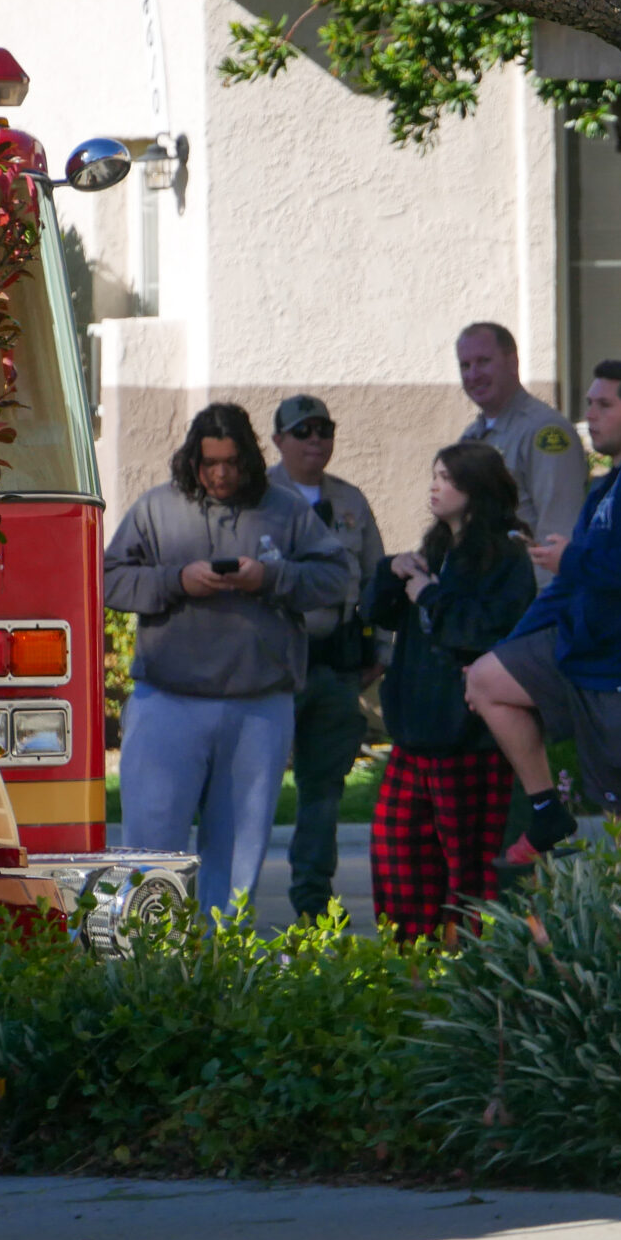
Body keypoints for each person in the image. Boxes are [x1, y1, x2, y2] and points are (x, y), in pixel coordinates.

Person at [102, 402, 356, 919]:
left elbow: (337, 577)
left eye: (232, 463)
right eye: (209, 462)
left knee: (238, 858)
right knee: (151, 849)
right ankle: (150, 965)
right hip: (168, 702)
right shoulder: (156, 508)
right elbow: (108, 579)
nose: (220, 474)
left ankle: (223, 969)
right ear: (192, 458)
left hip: (258, 706)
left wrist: (271, 579)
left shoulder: (284, 510)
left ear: (250, 462)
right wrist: (176, 580)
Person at [465, 359, 621, 867]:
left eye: (604, 404)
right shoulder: (611, 483)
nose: (590, 415)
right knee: (487, 680)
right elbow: (568, 584)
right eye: (589, 404)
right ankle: (547, 809)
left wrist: (569, 558)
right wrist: (506, 649)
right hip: (591, 658)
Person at [366, 442, 538, 941]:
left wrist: (431, 596)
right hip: (415, 736)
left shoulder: (505, 554)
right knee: (396, 851)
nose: (434, 486)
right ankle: (410, 963)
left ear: (475, 489)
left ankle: (471, 973)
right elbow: (376, 613)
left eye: (447, 478)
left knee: (469, 869)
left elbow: (484, 632)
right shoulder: (437, 547)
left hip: (470, 740)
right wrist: (391, 571)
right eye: (434, 475)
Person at [266, 392, 386, 920]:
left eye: (325, 430)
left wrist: (380, 648)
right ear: (278, 441)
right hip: (270, 667)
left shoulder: (351, 501)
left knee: (324, 789)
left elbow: (378, 580)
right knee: (252, 787)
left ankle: (312, 900)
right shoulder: (258, 497)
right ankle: (227, 899)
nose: (316, 440)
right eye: (303, 431)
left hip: (335, 666)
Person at [455, 321, 590, 573]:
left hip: (523, 601)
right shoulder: (471, 437)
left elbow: (557, 537)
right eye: (465, 365)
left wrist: (541, 609)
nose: (473, 375)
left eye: (484, 361)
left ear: (512, 363)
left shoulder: (546, 432)